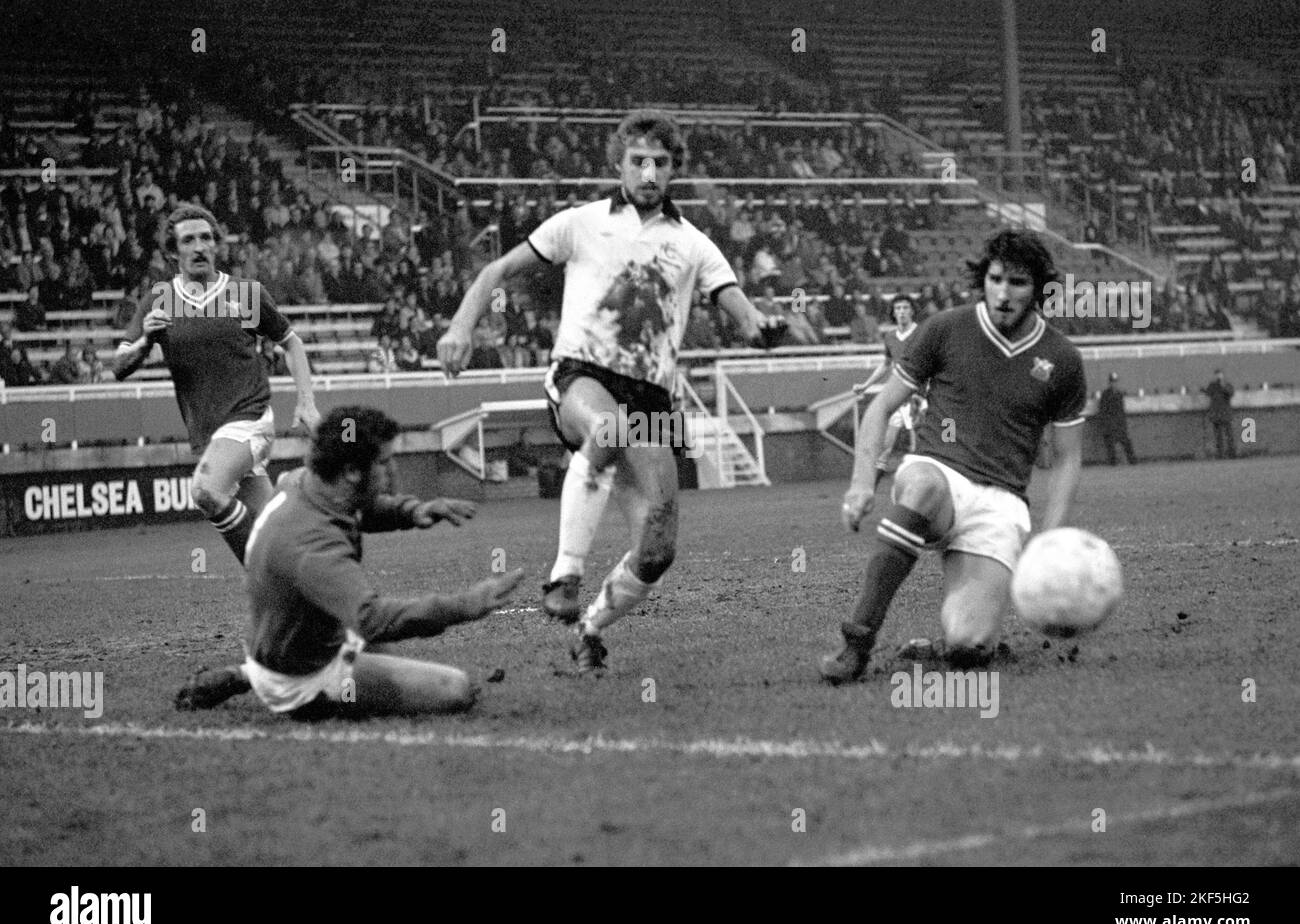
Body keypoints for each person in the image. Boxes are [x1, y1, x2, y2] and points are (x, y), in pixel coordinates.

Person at [438, 109, 770, 674]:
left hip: (652, 400)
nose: (648, 172)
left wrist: (764, 327)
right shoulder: (579, 223)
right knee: (607, 427)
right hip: (582, 377)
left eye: (660, 163)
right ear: (619, 163)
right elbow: (496, 271)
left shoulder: (695, 245)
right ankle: (565, 574)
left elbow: (739, 309)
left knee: (659, 544)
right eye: (638, 160)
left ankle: (590, 627)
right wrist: (459, 327)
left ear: (673, 171)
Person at [824, 230, 1087, 681]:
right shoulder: (945, 329)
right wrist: (862, 483)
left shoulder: (1062, 360)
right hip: (937, 471)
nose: (1003, 293)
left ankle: (944, 644)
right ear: (983, 279)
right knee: (923, 487)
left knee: (970, 646)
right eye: (996, 279)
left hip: (1001, 504)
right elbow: (882, 406)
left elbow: (1066, 458)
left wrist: (1049, 536)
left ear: (1039, 289)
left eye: (1018, 283)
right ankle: (857, 643)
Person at [175, 406, 522, 716]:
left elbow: (362, 509)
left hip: (285, 640)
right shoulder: (312, 545)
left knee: (379, 648)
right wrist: (466, 604)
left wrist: (413, 510)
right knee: (455, 689)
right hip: (301, 677)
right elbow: (373, 619)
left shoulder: (302, 483)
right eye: (384, 462)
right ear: (354, 472)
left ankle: (245, 675)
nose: (392, 471)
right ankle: (280, 685)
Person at [113, 202, 321, 566]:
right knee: (274, 538)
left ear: (216, 245)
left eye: (206, 238)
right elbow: (119, 366)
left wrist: (306, 402)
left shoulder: (245, 294)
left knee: (206, 491)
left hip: (250, 418)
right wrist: (146, 342)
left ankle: (267, 580)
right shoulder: (160, 300)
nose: (200, 247)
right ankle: (308, 593)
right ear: (172, 252)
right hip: (210, 434)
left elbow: (292, 343)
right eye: (189, 240)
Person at [851, 294, 925, 507]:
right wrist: (865, 385)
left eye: (905, 307)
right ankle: (866, 499)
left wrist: (921, 396)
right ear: (893, 312)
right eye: (898, 308)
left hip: (921, 399)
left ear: (912, 311)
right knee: (884, 447)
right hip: (897, 398)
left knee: (931, 446)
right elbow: (885, 364)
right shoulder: (891, 337)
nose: (901, 311)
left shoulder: (921, 334)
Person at [1096, 371, 1137, 465]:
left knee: (1126, 443)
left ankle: (1133, 461)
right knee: (1110, 445)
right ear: (1109, 382)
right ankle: (1113, 463)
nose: (1114, 383)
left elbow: (1121, 410)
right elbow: (1103, 410)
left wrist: (1124, 424)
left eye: (1115, 381)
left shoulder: (1119, 394)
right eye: (1112, 381)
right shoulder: (1105, 395)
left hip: (1119, 424)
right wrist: (1105, 425)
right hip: (1110, 424)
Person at [1202, 369, 1236, 459]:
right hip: (1217, 414)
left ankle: (1231, 453)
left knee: (1229, 435)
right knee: (1218, 436)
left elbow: (1230, 392)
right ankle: (1220, 453)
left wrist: (1223, 385)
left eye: (1219, 375)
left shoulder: (1226, 385)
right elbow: (1207, 393)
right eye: (1217, 375)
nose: (1218, 377)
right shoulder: (1212, 386)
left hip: (1225, 413)